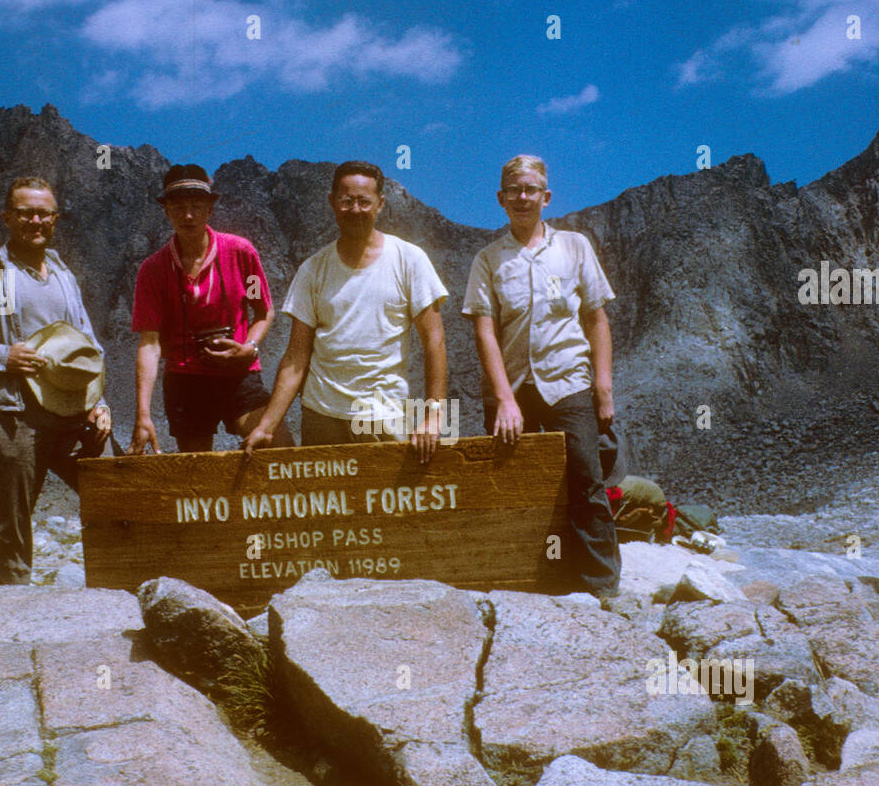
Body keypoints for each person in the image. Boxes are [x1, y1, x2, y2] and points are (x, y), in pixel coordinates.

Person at [0, 175, 111, 585]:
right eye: (26, 213)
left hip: (70, 411)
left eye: (44, 213)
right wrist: (1, 354)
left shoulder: (63, 274)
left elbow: (88, 346)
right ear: (7, 218)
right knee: (9, 522)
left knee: (112, 493)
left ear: (55, 218)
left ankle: (121, 590)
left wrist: (99, 401)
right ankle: (4, 616)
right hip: (11, 414)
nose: (36, 221)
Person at [463, 155, 622, 599]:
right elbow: (484, 332)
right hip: (510, 389)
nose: (523, 198)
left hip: (568, 382)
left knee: (585, 482)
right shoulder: (488, 260)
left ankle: (599, 591)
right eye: (514, 190)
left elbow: (596, 319)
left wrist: (603, 387)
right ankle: (526, 587)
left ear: (546, 197)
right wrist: (504, 400)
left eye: (531, 189)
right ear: (500, 199)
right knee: (515, 488)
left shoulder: (575, 247)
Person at [243, 160, 448, 463]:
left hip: (383, 413)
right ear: (332, 203)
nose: (355, 209)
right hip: (321, 417)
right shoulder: (313, 269)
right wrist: (267, 425)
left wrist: (433, 417)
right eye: (346, 200)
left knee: (388, 508)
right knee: (327, 509)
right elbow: (296, 356)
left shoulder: (409, 260)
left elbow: (434, 341)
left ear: (380, 204)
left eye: (364, 201)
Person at [129, 164, 292, 453]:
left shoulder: (242, 253)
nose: (188, 215)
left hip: (239, 372)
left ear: (209, 210)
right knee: (198, 474)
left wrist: (249, 347)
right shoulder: (152, 270)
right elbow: (150, 342)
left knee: (277, 448)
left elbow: (264, 312)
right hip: (185, 379)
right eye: (179, 207)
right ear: (166, 211)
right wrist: (143, 414)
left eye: (196, 206)